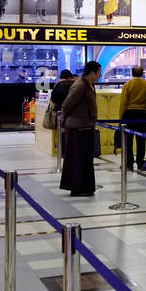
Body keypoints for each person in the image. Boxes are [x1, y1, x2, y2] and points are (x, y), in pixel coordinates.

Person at [60, 61, 101, 196]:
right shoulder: (80, 86)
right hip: (78, 128)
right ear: (92, 73)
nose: (99, 76)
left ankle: (86, 187)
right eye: (99, 73)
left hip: (85, 127)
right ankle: (77, 188)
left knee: (85, 160)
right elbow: (67, 105)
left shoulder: (88, 85)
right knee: (78, 160)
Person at [118, 66, 146, 167]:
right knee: (141, 139)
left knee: (128, 140)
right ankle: (140, 161)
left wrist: (121, 117)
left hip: (129, 113)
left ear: (132, 73)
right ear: (142, 73)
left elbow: (123, 102)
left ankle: (129, 162)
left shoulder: (128, 85)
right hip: (142, 114)